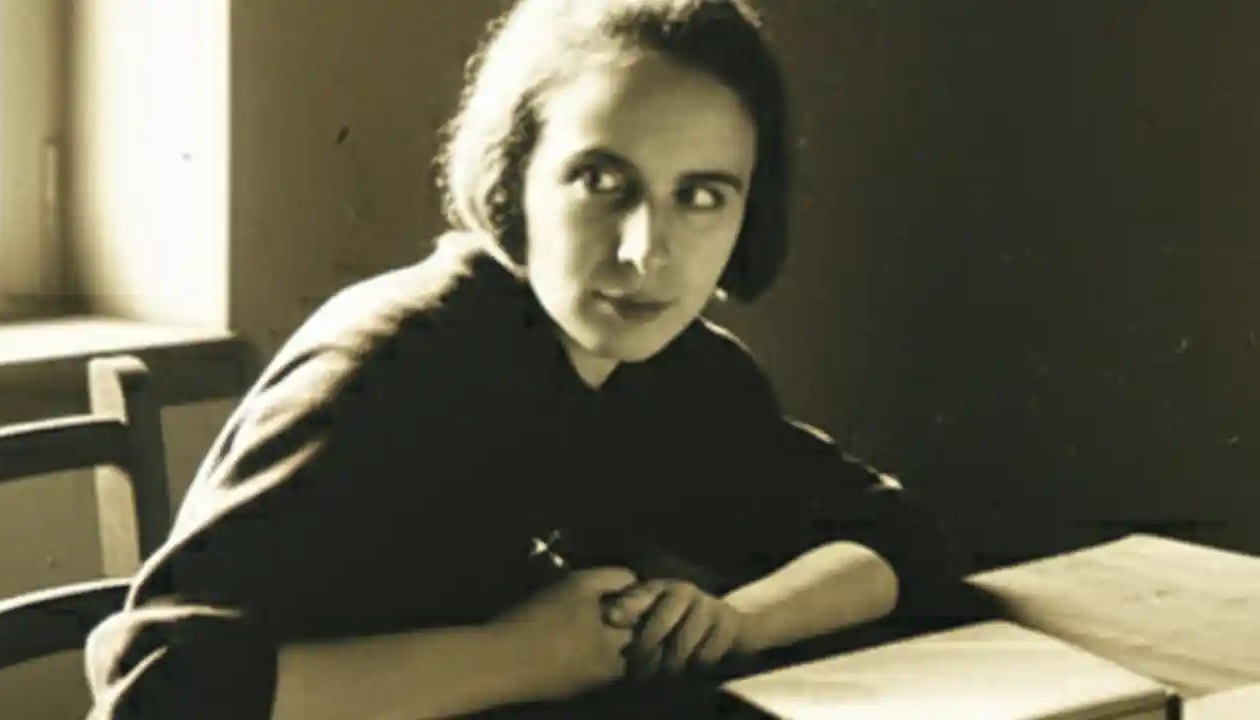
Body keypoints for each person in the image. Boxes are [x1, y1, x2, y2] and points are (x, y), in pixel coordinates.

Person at [84, 1, 970, 717]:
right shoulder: (388, 369)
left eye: (701, 196)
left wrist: (736, 621)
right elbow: (154, 686)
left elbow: (897, 539)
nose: (645, 253)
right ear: (513, 180)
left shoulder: (679, 367)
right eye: (601, 182)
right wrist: (518, 658)